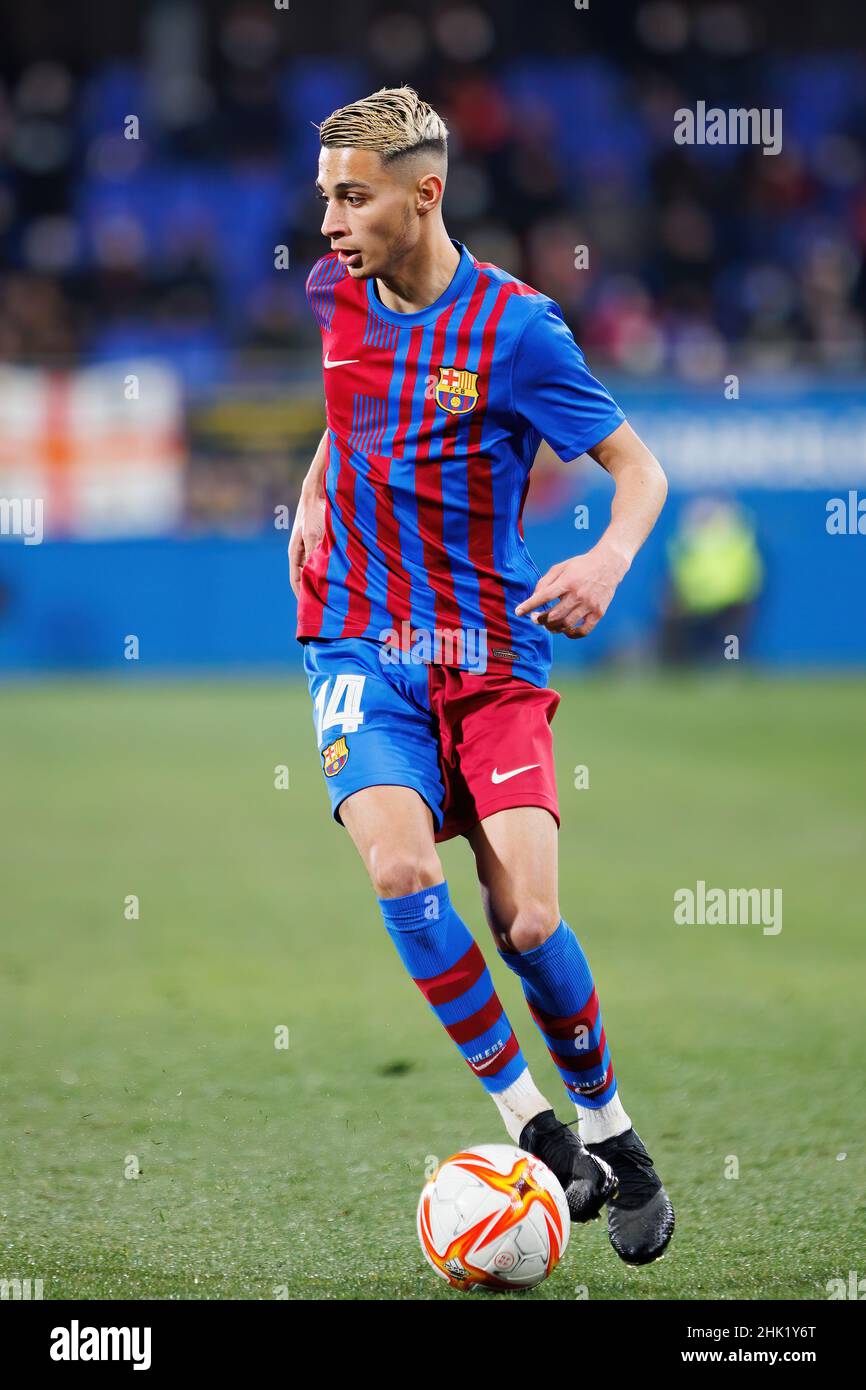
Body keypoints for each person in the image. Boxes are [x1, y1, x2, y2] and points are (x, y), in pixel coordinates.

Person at [289, 86, 673, 1265]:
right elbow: (349, 409)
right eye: (324, 197)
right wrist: (311, 492)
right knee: (403, 871)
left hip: (489, 659)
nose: (331, 222)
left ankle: (618, 1136)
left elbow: (638, 468)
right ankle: (537, 1131)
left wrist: (606, 559)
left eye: (352, 198)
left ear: (425, 193)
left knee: (528, 917)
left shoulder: (517, 332)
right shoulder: (330, 296)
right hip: (360, 642)